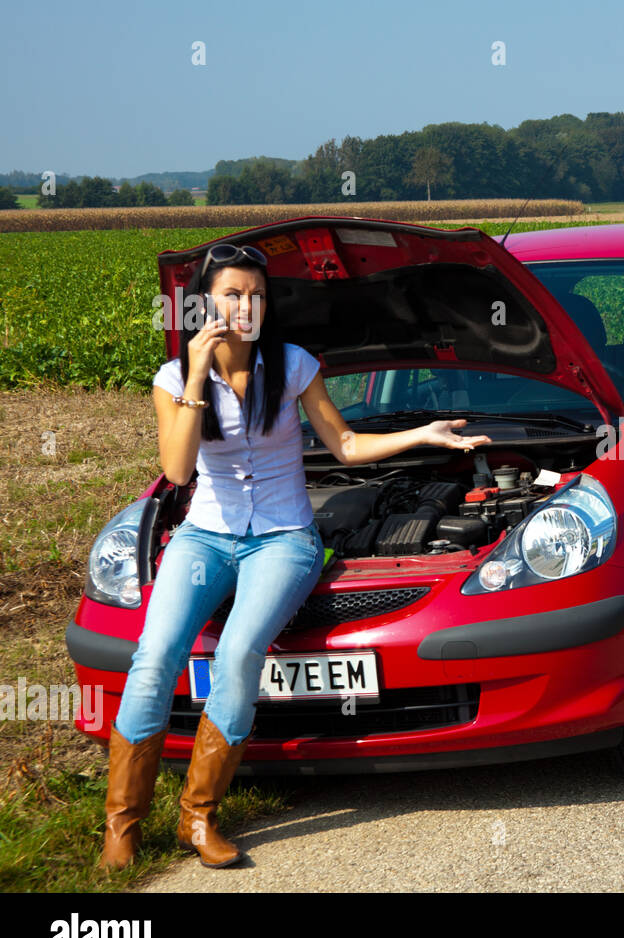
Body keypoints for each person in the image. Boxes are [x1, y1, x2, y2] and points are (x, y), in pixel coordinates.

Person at [100, 242, 491, 871]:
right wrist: (197, 376)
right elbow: (176, 470)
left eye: (255, 295)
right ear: (204, 303)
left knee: (238, 654)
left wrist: (424, 433)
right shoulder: (172, 379)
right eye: (231, 294)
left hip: (283, 539)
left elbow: (345, 444)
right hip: (205, 536)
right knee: (154, 658)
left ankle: (197, 819)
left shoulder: (294, 365)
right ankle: (122, 828)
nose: (245, 306)